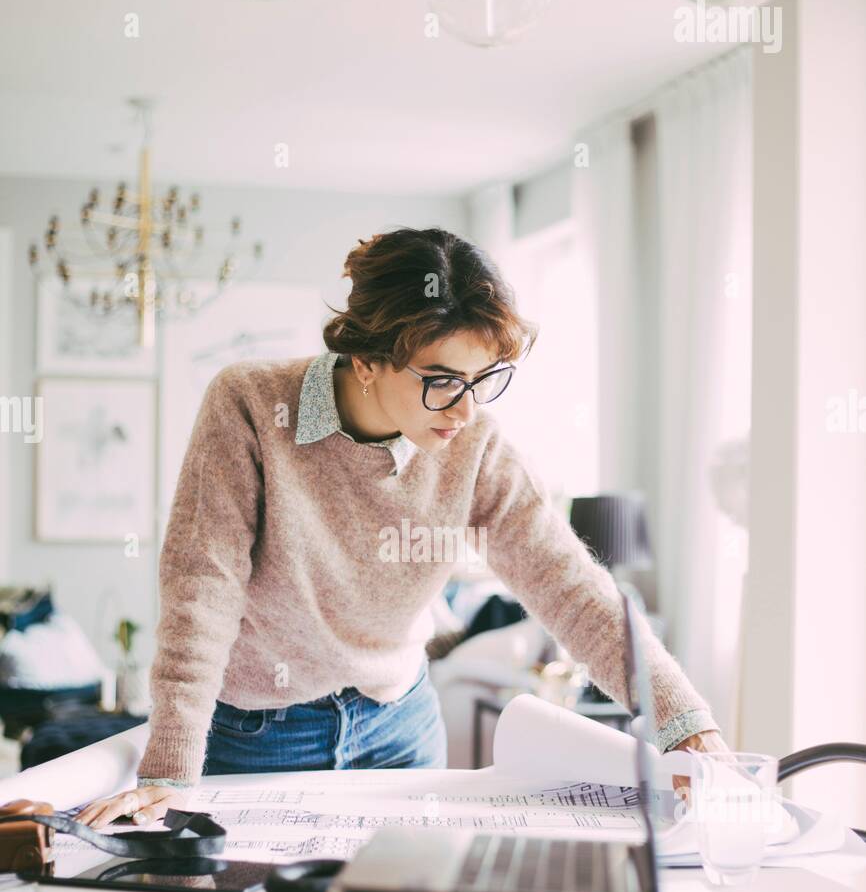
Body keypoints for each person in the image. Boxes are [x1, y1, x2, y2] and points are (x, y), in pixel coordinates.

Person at [78, 227, 724, 830]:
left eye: (482, 380)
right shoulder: (250, 404)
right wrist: (169, 766)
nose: (466, 411)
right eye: (442, 381)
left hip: (401, 725)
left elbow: (570, 587)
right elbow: (203, 586)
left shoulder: (475, 446)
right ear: (366, 360)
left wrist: (687, 726)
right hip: (257, 731)